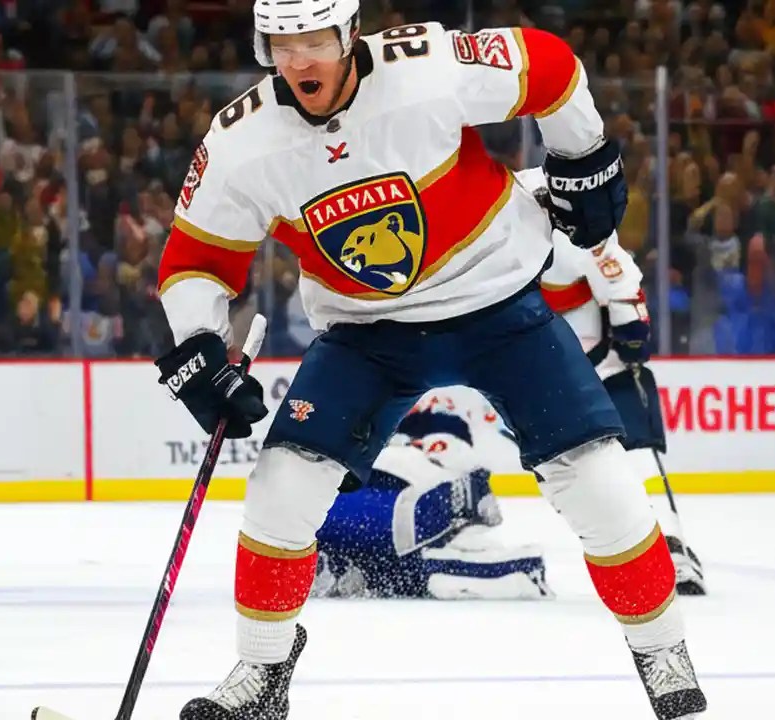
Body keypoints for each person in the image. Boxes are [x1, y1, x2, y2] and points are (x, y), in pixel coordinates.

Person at [149, 1, 706, 718]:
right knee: (281, 488)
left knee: (598, 481)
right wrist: (200, 346)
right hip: (366, 331)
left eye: (314, 41)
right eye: (281, 44)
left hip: (497, 303)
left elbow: (550, 66)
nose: (298, 61)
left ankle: (661, 650)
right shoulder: (241, 141)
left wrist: (584, 156)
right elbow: (196, 258)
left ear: (350, 33)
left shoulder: (427, 69)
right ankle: (261, 670)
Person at [519, 168, 708, 596]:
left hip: (585, 373)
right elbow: (626, 300)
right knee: (588, 471)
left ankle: (661, 551)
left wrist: (630, 332)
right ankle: (646, 555)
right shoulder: (547, 234)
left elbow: (623, 290)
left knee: (623, 460)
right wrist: (631, 335)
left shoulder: (567, 237)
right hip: (570, 374)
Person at [312, 390, 551, 602]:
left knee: (360, 557)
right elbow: (486, 513)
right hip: (399, 520)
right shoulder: (459, 455)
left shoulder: (384, 445)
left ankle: (336, 567)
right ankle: (525, 571)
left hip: (329, 509)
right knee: (410, 572)